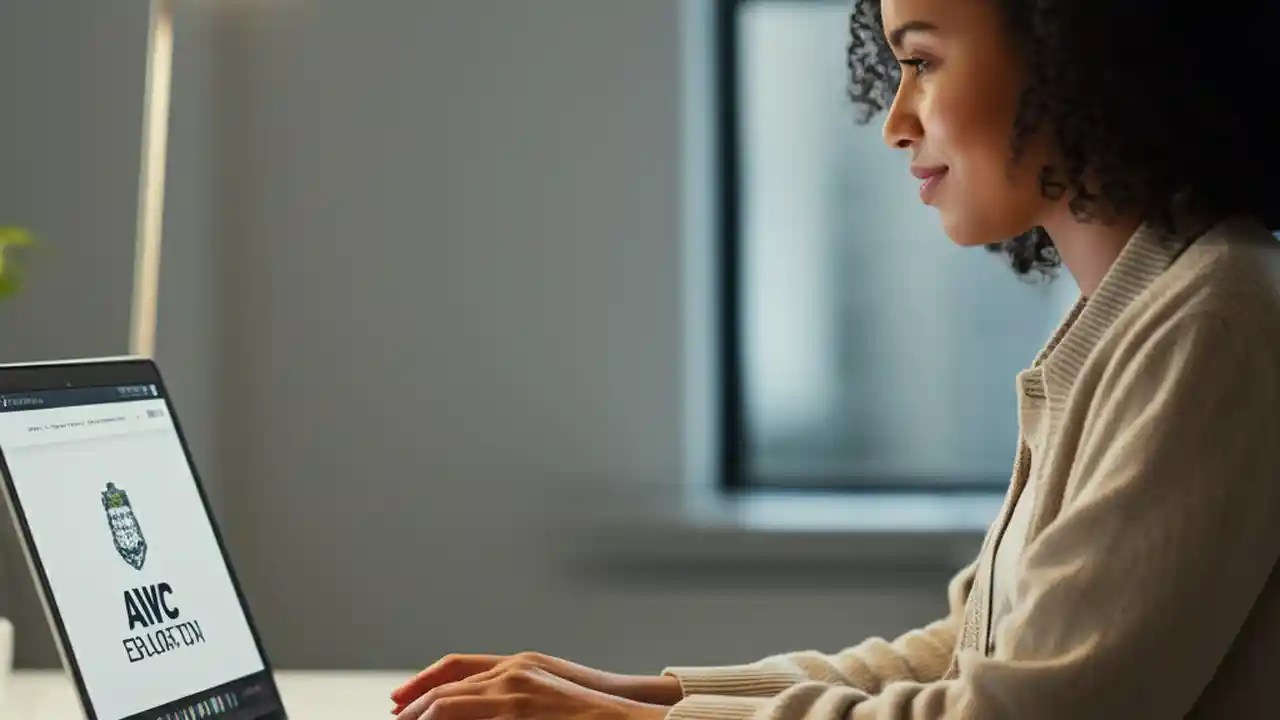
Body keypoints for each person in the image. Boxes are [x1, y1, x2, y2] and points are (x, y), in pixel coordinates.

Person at [387, 0, 1280, 717]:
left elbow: (1021, 709)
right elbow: (970, 647)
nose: (895, 121)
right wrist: (650, 693)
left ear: (1074, 54)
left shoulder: (1216, 320)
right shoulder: (1148, 313)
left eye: (922, 61)